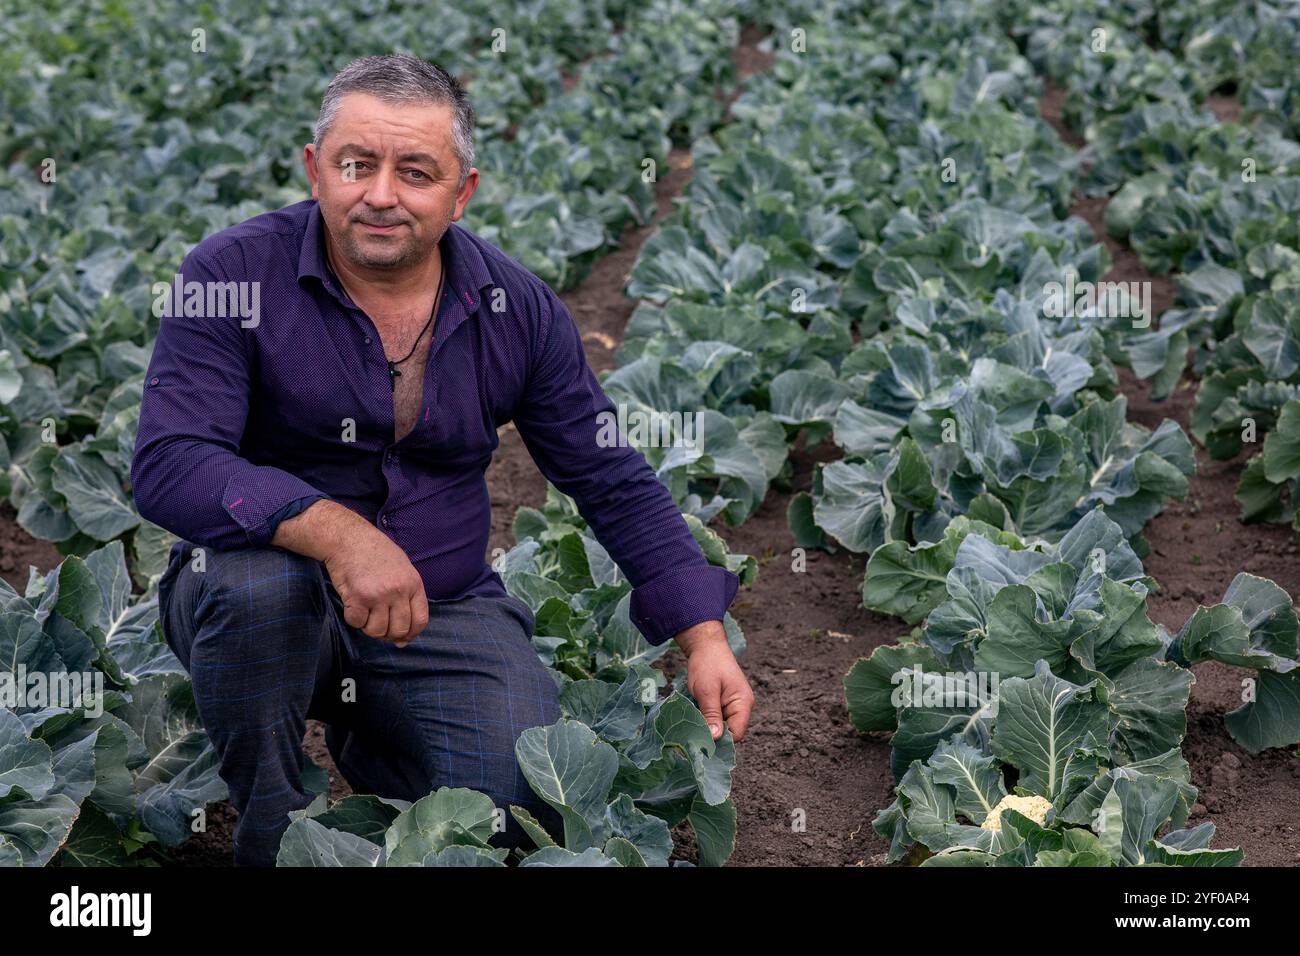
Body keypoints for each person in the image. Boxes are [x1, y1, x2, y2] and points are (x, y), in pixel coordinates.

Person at [131, 53, 754, 867]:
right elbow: (171, 460)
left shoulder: (515, 307)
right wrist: (339, 535)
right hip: (260, 589)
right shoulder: (228, 276)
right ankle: (271, 828)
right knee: (256, 592)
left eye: (416, 172)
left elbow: (606, 471)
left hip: (441, 603)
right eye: (358, 165)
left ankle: (383, 737)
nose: (381, 194)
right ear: (317, 169)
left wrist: (702, 634)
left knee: (514, 810)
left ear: (461, 192)